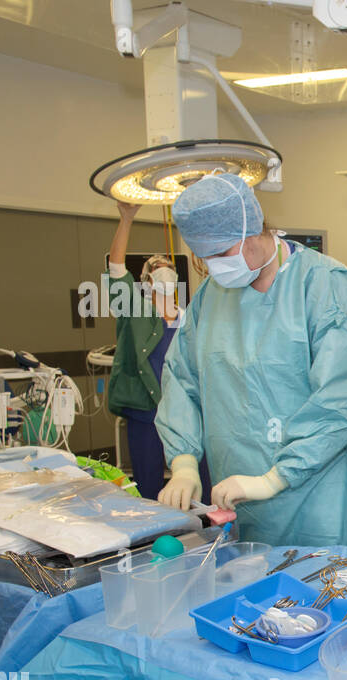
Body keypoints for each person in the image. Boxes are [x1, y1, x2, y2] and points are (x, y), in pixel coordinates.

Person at [156, 173, 347, 553]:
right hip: (241, 499)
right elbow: (183, 379)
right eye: (203, 258)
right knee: (260, 601)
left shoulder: (326, 287)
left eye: (222, 253)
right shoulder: (211, 297)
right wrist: (185, 462)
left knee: (343, 594)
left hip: (325, 496)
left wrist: (273, 479)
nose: (213, 267)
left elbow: (341, 399)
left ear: (253, 230)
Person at [105, 201, 212, 501]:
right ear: (145, 280)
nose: (163, 271)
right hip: (145, 413)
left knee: (200, 482)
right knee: (149, 486)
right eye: (156, 269)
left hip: (188, 413)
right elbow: (116, 269)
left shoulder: (189, 317)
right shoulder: (134, 312)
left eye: (167, 268)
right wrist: (127, 218)